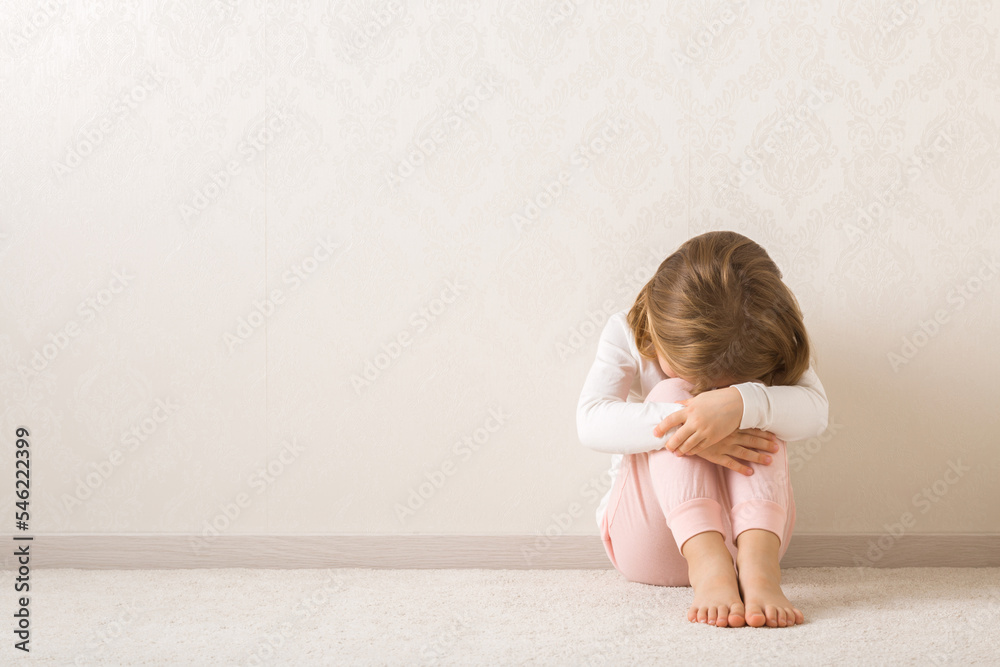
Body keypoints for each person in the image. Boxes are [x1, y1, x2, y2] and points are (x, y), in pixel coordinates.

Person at [576, 230, 830, 628]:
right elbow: (590, 421)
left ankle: (761, 572)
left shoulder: (762, 334)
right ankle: (708, 565)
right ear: (659, 332)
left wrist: (740, 403)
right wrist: (691, 426)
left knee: (765, 400)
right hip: (650, 545)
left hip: (753, 539)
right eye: (701, 378)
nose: (711, 392)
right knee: (671, 391)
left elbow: (815, 412)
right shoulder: (626, 331)